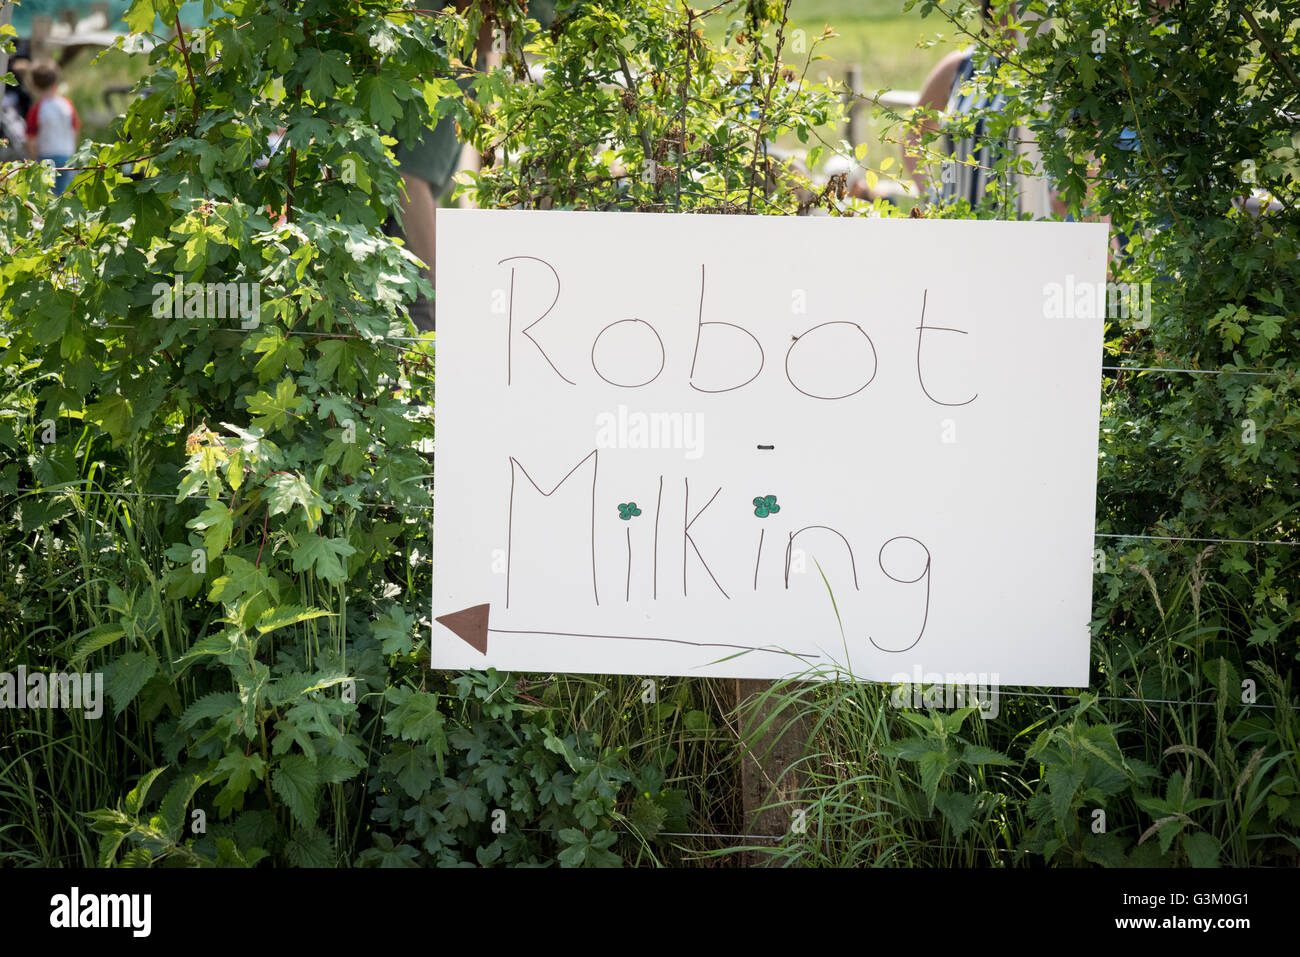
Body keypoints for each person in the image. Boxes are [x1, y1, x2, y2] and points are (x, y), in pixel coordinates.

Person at [24, 59, 79, 194]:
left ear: (34, 85)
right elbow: (75, 129)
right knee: (65, 197)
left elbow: (30, 139)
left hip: (46, 158)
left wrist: (34, 159)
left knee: (45, 197)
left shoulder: (37, 109)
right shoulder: (67, 104)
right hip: (68, 156)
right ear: (56, 82)